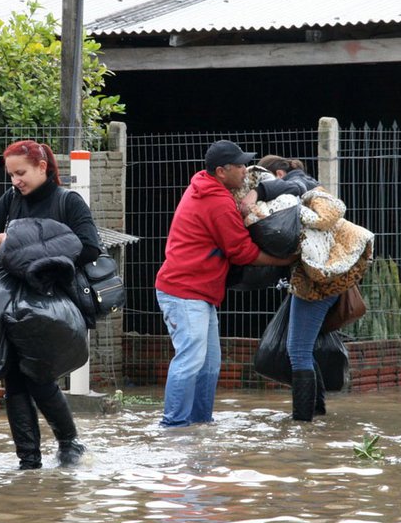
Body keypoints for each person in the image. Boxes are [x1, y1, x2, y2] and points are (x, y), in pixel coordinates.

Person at [0, 139, 102, 469]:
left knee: (38, 375)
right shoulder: (12, 199)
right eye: (11, 175)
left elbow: (90, 247)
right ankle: (30, 461)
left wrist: (42, 251)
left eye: (21, 173)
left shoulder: (68, 201)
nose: (16, 181)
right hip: (15, 305)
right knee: (15, 378)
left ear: (42, 167)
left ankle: (68, 443)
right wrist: (7, 240)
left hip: (54, 302)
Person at [155, 140, 297, 428]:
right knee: (191, 360)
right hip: (184, 292)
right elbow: (241, 251)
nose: (246, 170)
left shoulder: (205, 187)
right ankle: (173, 427)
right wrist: (284, 260)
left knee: (208, 365)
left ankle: (200, 424)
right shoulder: (217, 202)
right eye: (240, 165)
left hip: (198, 292)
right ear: (221, 171)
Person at [245, 155, 373, 421]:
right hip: (321, 279)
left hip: (317, 283)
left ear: (279, 174)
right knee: (302, 347)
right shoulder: (306, 186)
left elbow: (294, 189)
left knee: (298, 350)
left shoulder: (299, 183)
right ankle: (317, 411)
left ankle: (303, 423)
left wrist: (258, 191)